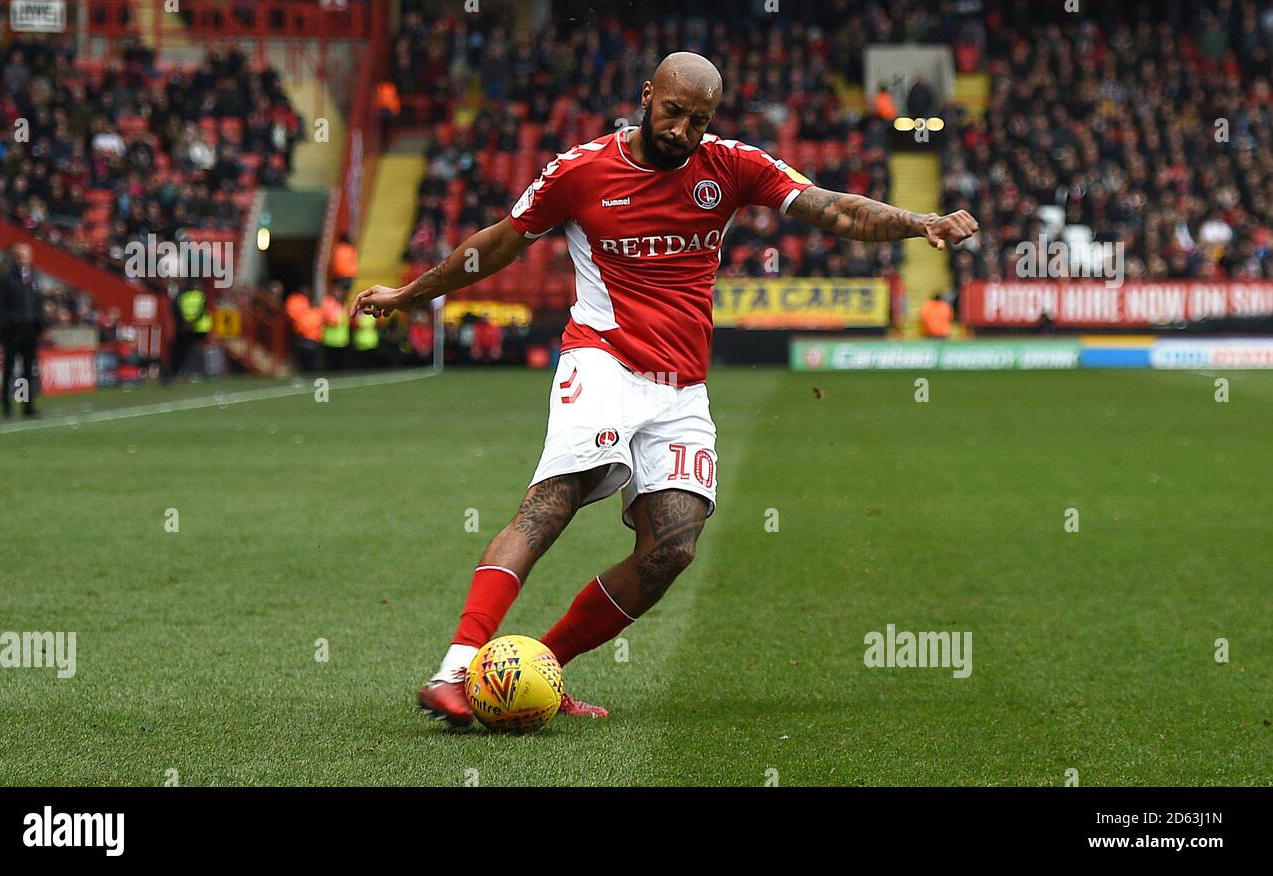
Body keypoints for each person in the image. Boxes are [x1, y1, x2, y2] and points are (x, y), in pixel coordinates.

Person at [352, 52, 979, 726]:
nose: (682, 129)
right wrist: (411, 296)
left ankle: (542, 669)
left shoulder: (731, 165)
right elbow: (500, 243)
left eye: (698, 120)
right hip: (603, 362)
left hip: (681, 389)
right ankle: (453, 668)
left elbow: (832, 210)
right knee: (552, 503)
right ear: (647, 94)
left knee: (672, 548)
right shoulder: (580, 171)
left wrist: (920, 223)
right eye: (673, 111)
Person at [0, 243, 47, 418]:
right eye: (20, 255)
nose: (23, 258)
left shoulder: (34, 277)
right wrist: (7, 324)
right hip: (13, 330)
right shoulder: (7, 278)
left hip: (30, 329)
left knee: (27, 369)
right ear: (15, 257)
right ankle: (6, 405)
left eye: (26, 254)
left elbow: (38, 303)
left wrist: (41, 323)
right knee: (9, 367)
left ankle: (27, 405)